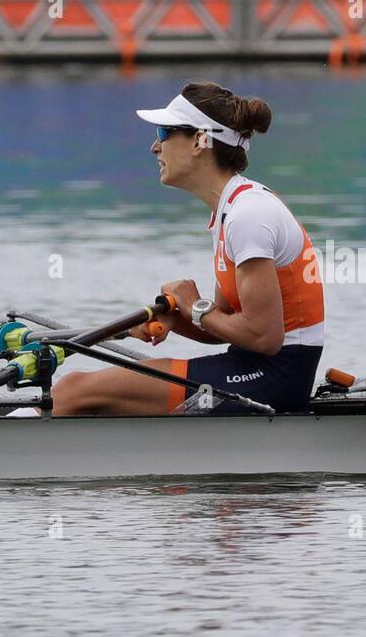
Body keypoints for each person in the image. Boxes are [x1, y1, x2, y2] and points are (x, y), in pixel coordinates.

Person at [53, 82, 324, 416]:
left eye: (164, 132)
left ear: (200, 140)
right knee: (80, 389)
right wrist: (176, 319)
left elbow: (263, 338)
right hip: (252, 367)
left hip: (275, 377)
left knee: (72, 391)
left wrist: (194, 306)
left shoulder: (249, 215)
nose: (155, 146)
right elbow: (228, 325)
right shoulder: (229, 210)